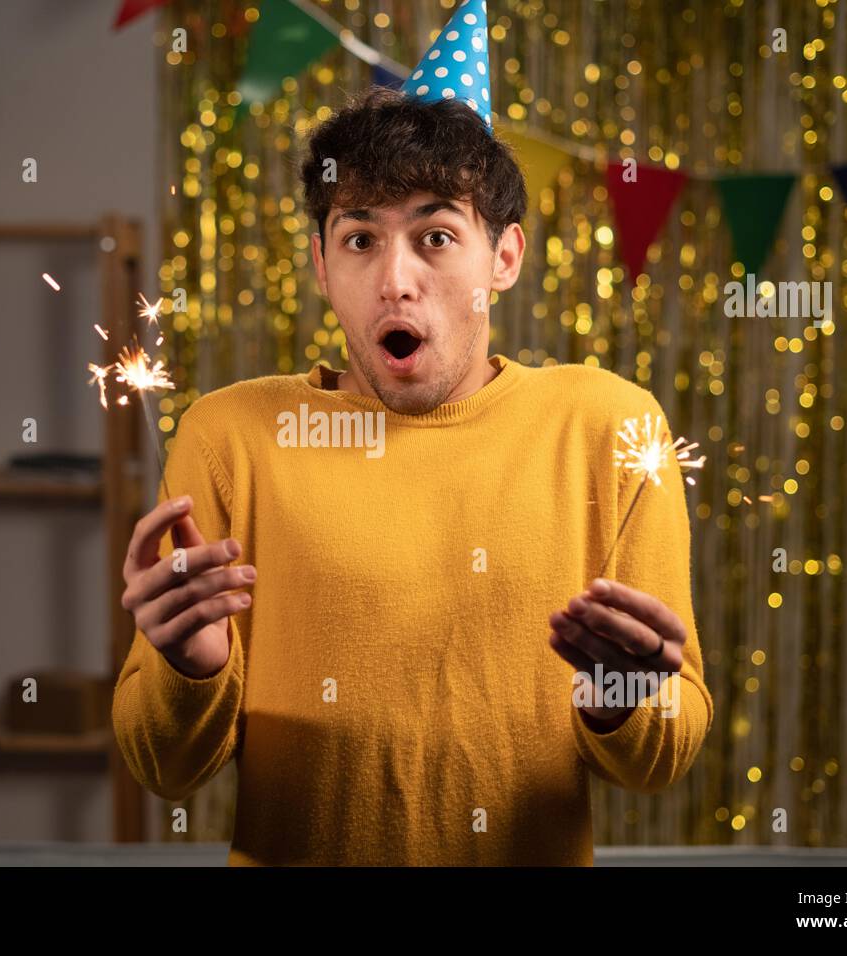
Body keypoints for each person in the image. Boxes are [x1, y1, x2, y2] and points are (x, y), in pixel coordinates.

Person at [114, 14, 711, 867]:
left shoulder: (610, 428)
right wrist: (193, 670)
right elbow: (160, 768)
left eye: (436, 237)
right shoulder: (229, 436)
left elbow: (664, 760)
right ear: (322, 267)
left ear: (503, 257)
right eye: (360, 239)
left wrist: (621, 692)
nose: (396, 280)